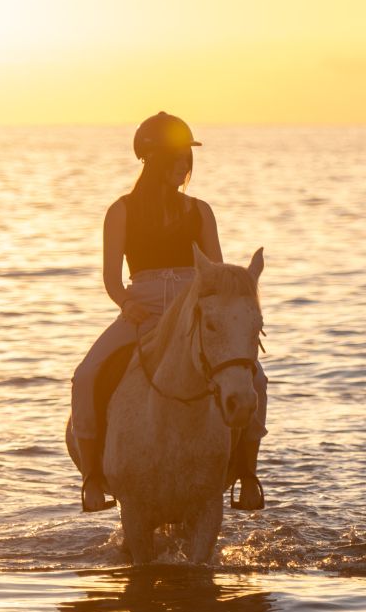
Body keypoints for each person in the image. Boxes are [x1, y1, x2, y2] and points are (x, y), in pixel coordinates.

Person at [69, 112, 266, 513]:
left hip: (192, 310)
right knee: (85, 375)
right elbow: (110, 278)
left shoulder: (200, 211)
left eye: (186, 158)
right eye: (177, 157)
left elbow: (216, 276)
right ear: (154, 160)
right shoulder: (120, 211)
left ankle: (246, 474)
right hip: (142, 308)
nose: (185, 165)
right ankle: (93, 478)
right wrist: (127, 304)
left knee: (256, 379)